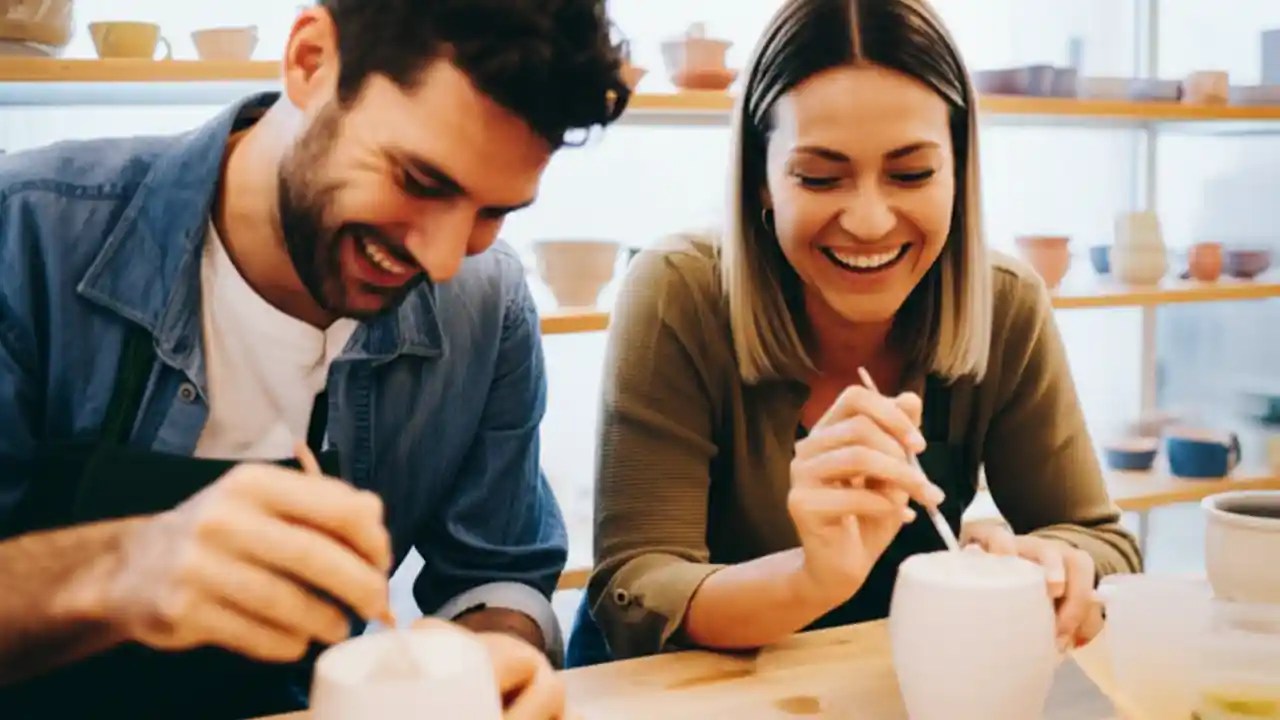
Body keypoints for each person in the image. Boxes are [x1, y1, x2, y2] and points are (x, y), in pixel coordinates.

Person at [0, 0, 628, 717]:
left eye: (495, 212)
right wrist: (122, 566)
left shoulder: (487, 306)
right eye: (421, 182)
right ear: (311, 61)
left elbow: (495, 572)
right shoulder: (25, 236)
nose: (446, 258)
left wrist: (493, 650)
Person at [566, 0, 1142, 668]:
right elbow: (634, 590)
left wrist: (1057, 565)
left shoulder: (1004, 304)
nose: (869, 221)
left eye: (912, 174)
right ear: (761, 180)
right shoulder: (679, 292)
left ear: (960, 170)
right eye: (819, 176)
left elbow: (1105, 544)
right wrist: (810, 578)